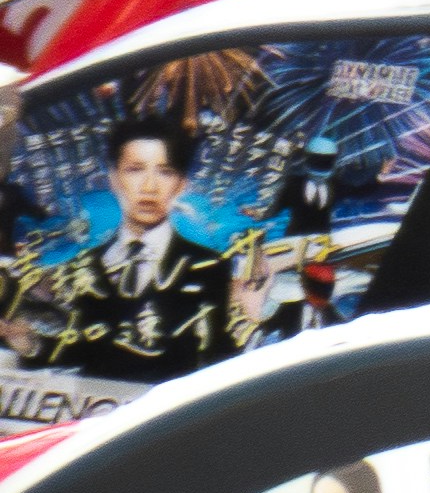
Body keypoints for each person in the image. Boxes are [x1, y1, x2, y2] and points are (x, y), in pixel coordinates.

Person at [22, 126, 256, 385]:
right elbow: (78, 350)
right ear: (113, 178)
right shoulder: (84, 265)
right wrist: (31, 346)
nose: (149, 187)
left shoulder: (209, 267)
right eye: (135, 170)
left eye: (165, 172)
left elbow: (218, 355)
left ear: (181, 184)